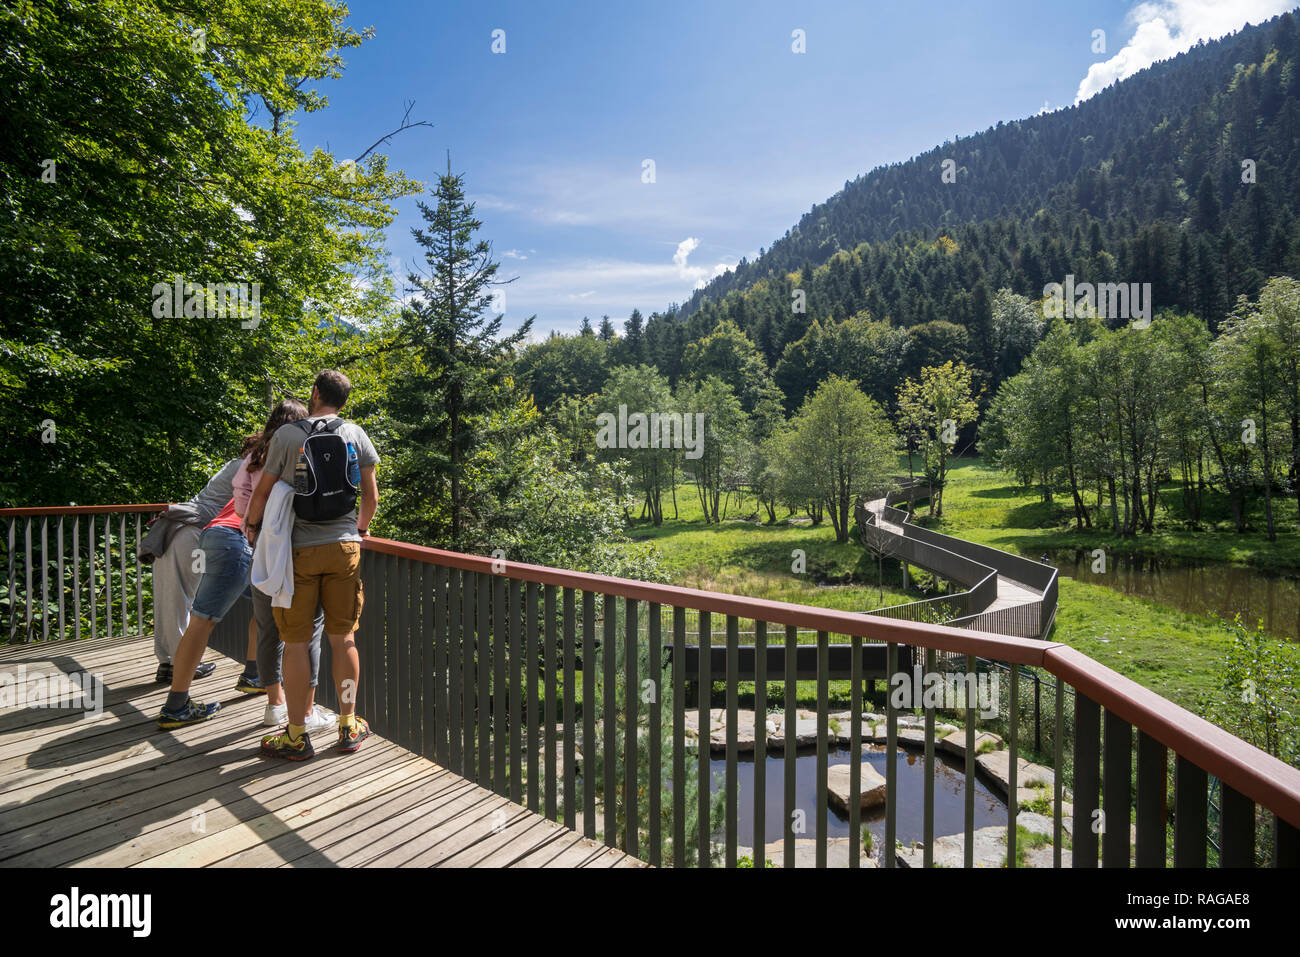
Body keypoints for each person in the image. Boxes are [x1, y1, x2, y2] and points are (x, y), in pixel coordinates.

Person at [156, 400, 334, 730]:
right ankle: (176, 705)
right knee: (203, 621)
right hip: (238, 542)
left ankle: (254, 674)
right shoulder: (287, 457)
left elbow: (242, 502)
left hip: (217, 535)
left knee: (263, 607)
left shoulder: (254, 457)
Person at [245, 370, 378, 761]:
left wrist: (251, 528)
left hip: (298, 552)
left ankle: (296, 735)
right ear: (344, 401)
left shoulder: (288, 435)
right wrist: (360, 531)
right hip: (344, 549)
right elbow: (370, 497)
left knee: (297, 643)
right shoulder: (355, 434)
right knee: (344, 638)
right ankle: (348, 725)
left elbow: (263, 492)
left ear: (315, 393)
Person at [141, 458, 241, 683]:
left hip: (174, 529)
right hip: (193, 533)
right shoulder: (249, 467)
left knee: (168, 597)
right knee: (185, 598)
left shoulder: (235, 463)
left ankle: (167, 662)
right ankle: (182, 663)